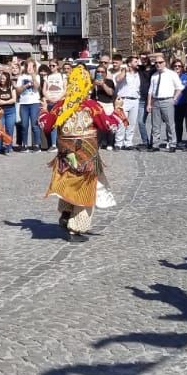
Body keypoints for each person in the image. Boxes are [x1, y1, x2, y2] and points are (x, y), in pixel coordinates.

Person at [41, 66, 123, 242]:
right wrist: (118, 111)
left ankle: (66, 210)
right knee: (86, 188)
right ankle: (76, 228)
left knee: (68, 182)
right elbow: (109, 126)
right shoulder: (91, 106)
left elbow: (46, 127)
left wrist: (43, 112)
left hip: (65, 153)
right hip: (87, 154)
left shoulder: (60, 106)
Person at [147, 57, 183, 152]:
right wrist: (149, 104)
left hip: (167, 100)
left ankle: (172, 144)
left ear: (165, 63)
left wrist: (174, 99)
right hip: (156, 101)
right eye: (156, 63)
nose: (158, 64)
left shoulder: (171, 74)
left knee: (170, 124)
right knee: (155, 124)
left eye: (160, 62)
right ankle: (155, 145)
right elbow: (150, 91)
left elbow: (179, 87)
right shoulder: (154, 75)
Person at [113, 60, 143, 150]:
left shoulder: (139, 74)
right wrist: (124, 71)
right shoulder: (124, 73)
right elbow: (117, 79)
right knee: (122, 122)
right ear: (129, 63)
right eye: (135, 61)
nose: (138, 63)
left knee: (132, 123)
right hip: (124, 100)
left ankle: (128, 143)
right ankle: (118, 143)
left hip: (135, 100)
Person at [0, 71, 17, 154]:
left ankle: (8, 147)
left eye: (4, 79)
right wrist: (7, 101)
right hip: (0, 111)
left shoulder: (11, 87)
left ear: (7, 79)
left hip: (11, 111)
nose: (2, 80)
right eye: (1, 78)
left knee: (10, 129)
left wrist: (4, 102)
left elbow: (14, 99)